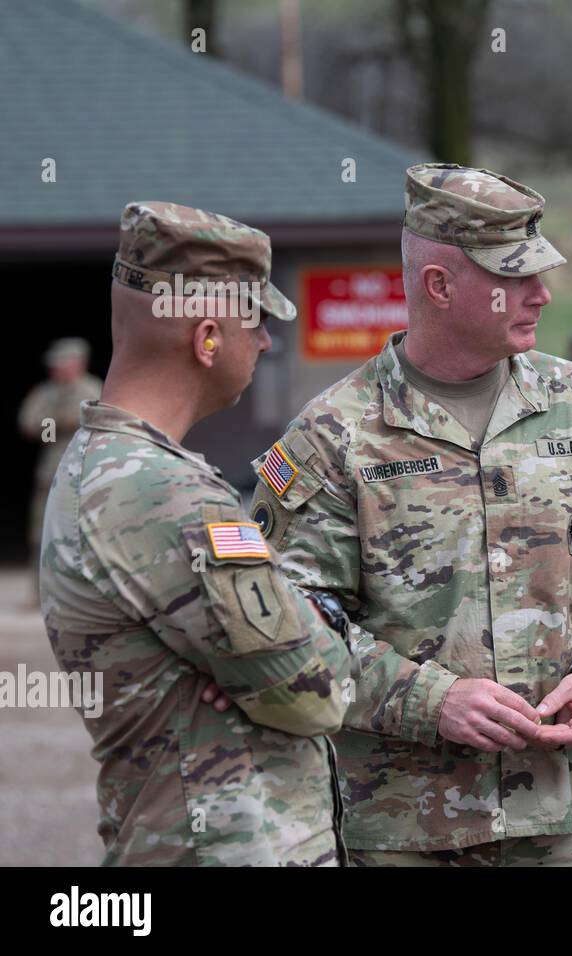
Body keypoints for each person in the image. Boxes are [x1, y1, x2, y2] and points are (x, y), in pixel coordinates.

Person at [251, 163, 572, 866]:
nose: (541, 293)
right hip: (403, 826)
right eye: (514, 278)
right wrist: (428, 700)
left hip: (561, 813)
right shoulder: (334, 435)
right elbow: (291, 626)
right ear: (440, 286)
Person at [41, 201, 356, 866]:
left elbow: (283, 673)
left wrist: (272, 656)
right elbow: (316, 695)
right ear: (207, 337)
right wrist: (315, 628)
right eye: (258, 323)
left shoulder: (105, 465)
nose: (266, 341)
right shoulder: (164, 494)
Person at [18, 338, 102, 603]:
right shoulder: (46, 393)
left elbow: (98, 424)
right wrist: (60, 422)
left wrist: (57, 423)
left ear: (78, 363)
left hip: (84, 475)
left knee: (82, 535)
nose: (55, 370)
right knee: (41, 533)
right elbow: (32, 425)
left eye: (62, 364)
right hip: (50, 474)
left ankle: (80, 594)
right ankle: (39, 593)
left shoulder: (93, 389)